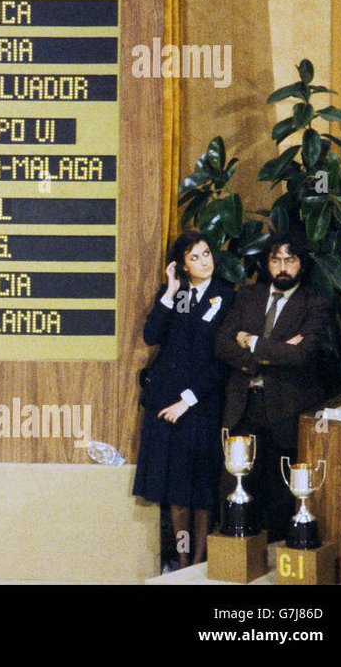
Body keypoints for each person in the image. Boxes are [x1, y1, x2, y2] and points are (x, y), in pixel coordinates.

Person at [214, 233, 328, 543]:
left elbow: (301, 355)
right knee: (236, 486)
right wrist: (266, 356)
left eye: (290, 260)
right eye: (276, 259)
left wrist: (251, 342)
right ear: (267, 263)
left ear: (301, 265)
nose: (282, 267)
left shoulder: (314, 303)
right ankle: (236, 558)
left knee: (280, 495)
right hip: (243, 404)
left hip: (285, 409)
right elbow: (222, 345)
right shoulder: (247, 296)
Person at [133, 231, 235, 568]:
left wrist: (188, 401)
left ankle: (201, 561)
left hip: (200, 404)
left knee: (201, 492)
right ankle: (182, 559)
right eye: (195, 257)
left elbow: (221, 359)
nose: (204, 261)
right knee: (176, 493)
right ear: (182, 265)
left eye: (207, 253)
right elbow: (152, 336)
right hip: (166, 401)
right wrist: (171, 290)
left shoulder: (226, 296)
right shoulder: (176, 294)